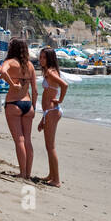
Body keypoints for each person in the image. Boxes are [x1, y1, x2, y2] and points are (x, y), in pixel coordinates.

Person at [0, 38, 38, 179]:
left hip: (13, 103)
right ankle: (28, 173)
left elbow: (2, 72)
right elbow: (35, 90)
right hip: (28, 105)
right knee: (27, 140)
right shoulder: (30, 66)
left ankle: (22, 173)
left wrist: (12, 84)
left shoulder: (9, 62)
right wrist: (33, 106)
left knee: (19, 140)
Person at [36, 46, 69, 187]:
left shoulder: (50, 72)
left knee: (51, 147)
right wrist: (42, 119)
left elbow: (65, 85)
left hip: (52, 111)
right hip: (49, 112)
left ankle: (56, 180)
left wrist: (60, 99)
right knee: (48, 146)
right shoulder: (50, 71)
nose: (41, 59)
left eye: (44, 57)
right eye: (40, 57)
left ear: (49, 58)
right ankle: (51, 174)